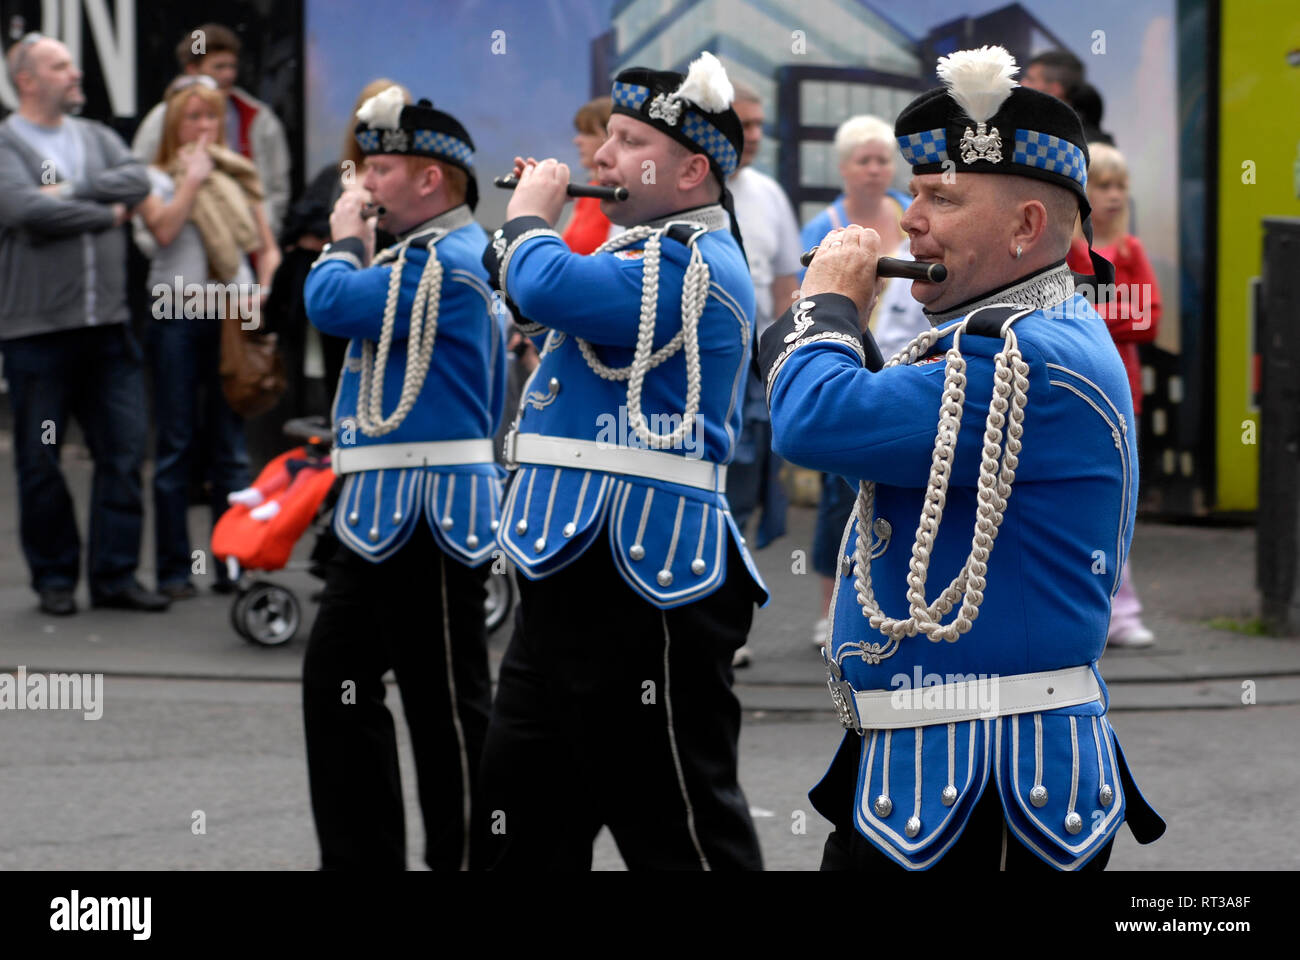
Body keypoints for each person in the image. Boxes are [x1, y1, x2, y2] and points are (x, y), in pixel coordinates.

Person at [759, 45, 1165, 870]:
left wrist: (827, 300)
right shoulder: (1014, 335)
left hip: (989, 793)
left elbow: (812, 419)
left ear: (1026, 227)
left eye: (941, 197)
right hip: (932, 779)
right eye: (915, 191)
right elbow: (882, 431)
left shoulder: (1024, 354)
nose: (910, 219)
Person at [478, 51, 769, 870]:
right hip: (565, 574)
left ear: (692, 171)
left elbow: (539, 285)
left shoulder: (693, 261)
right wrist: (515, 241)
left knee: (677, 828)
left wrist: (529, 218)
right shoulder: (634, 256)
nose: (599, 157)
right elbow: (527, 285)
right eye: (604, 136)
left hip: (647, 586)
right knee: (517, 822)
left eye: (628, 137)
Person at [301, 87, 506, 870]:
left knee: (447, 707)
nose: (362, 184)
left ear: (431, 180)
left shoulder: (450, 262)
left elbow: (329, 300)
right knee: (337, 684)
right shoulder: (415, 256)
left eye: (379, 168)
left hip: (437, 512)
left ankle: (467, 861)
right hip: (379, 510)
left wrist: (342, 238)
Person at [0, 33, 169, 615]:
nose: (74, 74)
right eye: (60, 65)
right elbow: (24, 210)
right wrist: (103, 214)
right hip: (38, 338)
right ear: (27, 79)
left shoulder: (98, 137)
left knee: (123, 451)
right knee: (43, 457)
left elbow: (137, 182)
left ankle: (115, 576)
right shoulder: (6, 145)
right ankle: (54, 578)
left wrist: (68, 193)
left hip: (109, 334)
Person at [133, 74, 280, 599]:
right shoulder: (154, 177)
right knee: (175, 443)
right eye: (192, 117)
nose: (202, 126)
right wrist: (192, 179)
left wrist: (259, 292)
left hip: (229, 316)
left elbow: (268, 249)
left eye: (210, 117)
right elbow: (163, 231)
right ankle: (174, 571)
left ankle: (230, 563)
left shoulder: (239, 173)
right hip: (176, 311)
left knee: (230, 448)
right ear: (174, 125)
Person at [800, 115, 928, 652]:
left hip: (911, 366)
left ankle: (903, 601)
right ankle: (834, 609)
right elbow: (807, 297)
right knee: (840, 498)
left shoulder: (910, 215)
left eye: (882, 159)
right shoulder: (822, 225)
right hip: (848, 364)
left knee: (908, 495)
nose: (876, 169)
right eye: (864, 160)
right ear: (844, 167)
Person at [1067, 142, 1159, 648]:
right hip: (1077, 395)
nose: (1116, 195)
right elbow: (1075, 317)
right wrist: (1116, 311)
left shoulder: (1132, 251)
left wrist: (1095, 314)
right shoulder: (1069, 254)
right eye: (1103, 186)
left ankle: (1122, 612)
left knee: (1117, 508)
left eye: (1121, 185)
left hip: (1126, 398)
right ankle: (1090, 612)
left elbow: (1151, 319)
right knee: (1077, 507)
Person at [724, 80, 801, 668]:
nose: (752, 136)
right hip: (697, 366)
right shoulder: (677, 188)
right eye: (740, 123)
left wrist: (779, 361)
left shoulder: (768, 194)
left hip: (752, 368)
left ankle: (730, 624)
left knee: (745, 489)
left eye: (758, 126)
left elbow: (782, 285)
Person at [132, 23, 290, 234]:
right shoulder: (160, 119)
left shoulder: (258, 118)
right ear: (192, 69)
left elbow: (276, 188)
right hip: (181, 240)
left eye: (232, 66)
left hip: (244, 245)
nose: (229, 75)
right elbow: (140, 181)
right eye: (219, 67)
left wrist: (262, 236)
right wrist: (153, 239)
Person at [560, 96, 615, 254]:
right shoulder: (588, 192)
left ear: (612, 137)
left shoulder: (624, 197)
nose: (577, 140)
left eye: (588, 133)